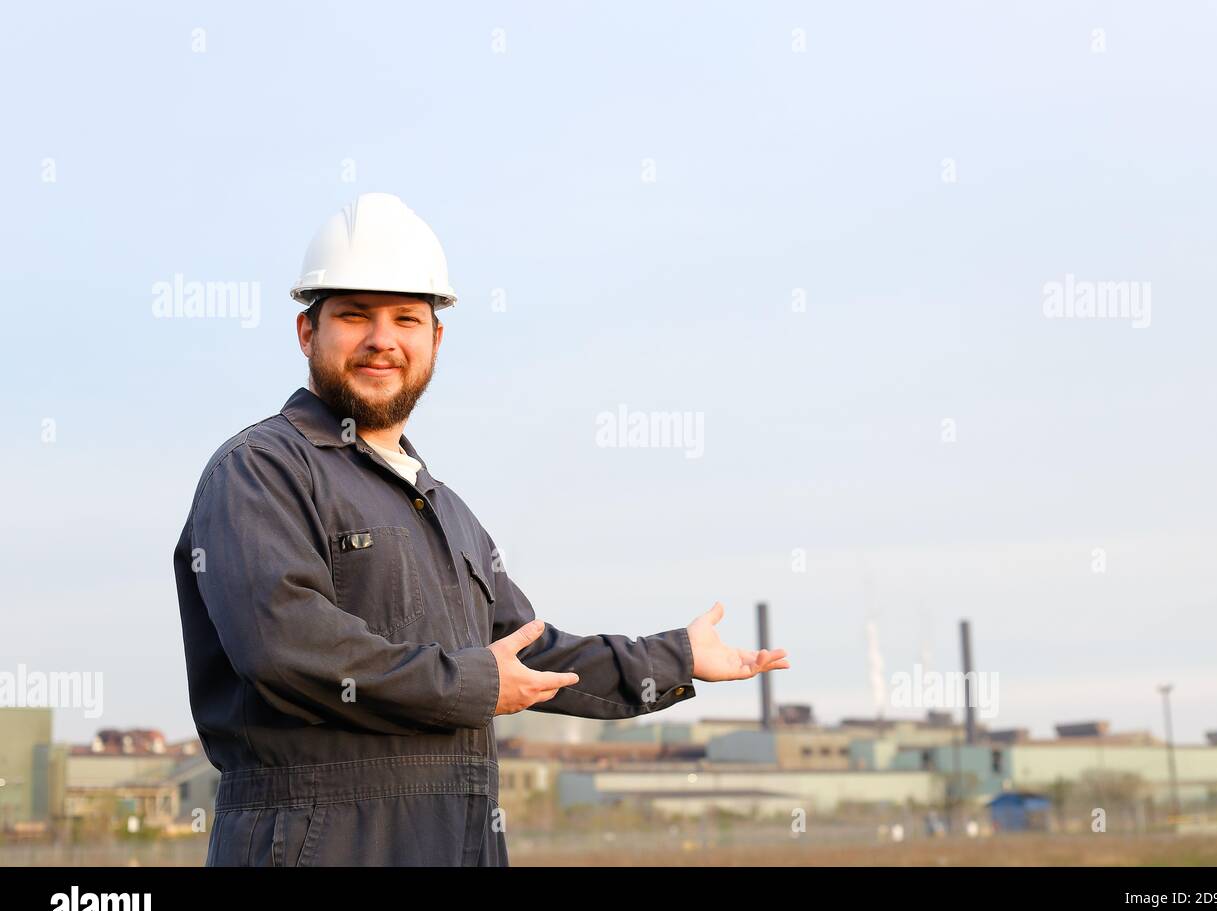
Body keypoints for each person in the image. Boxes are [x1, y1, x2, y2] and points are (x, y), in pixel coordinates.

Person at [172, 192, 790, 866]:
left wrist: (674, 658)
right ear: (306, 334)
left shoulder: (446, 513)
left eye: (406, 319)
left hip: (459, 836)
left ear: (434, 340)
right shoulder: (260, 472)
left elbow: (527, 656)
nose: (382, 340)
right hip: (319, 840)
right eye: (354, 316)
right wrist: (473, 685)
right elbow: (284, 647)